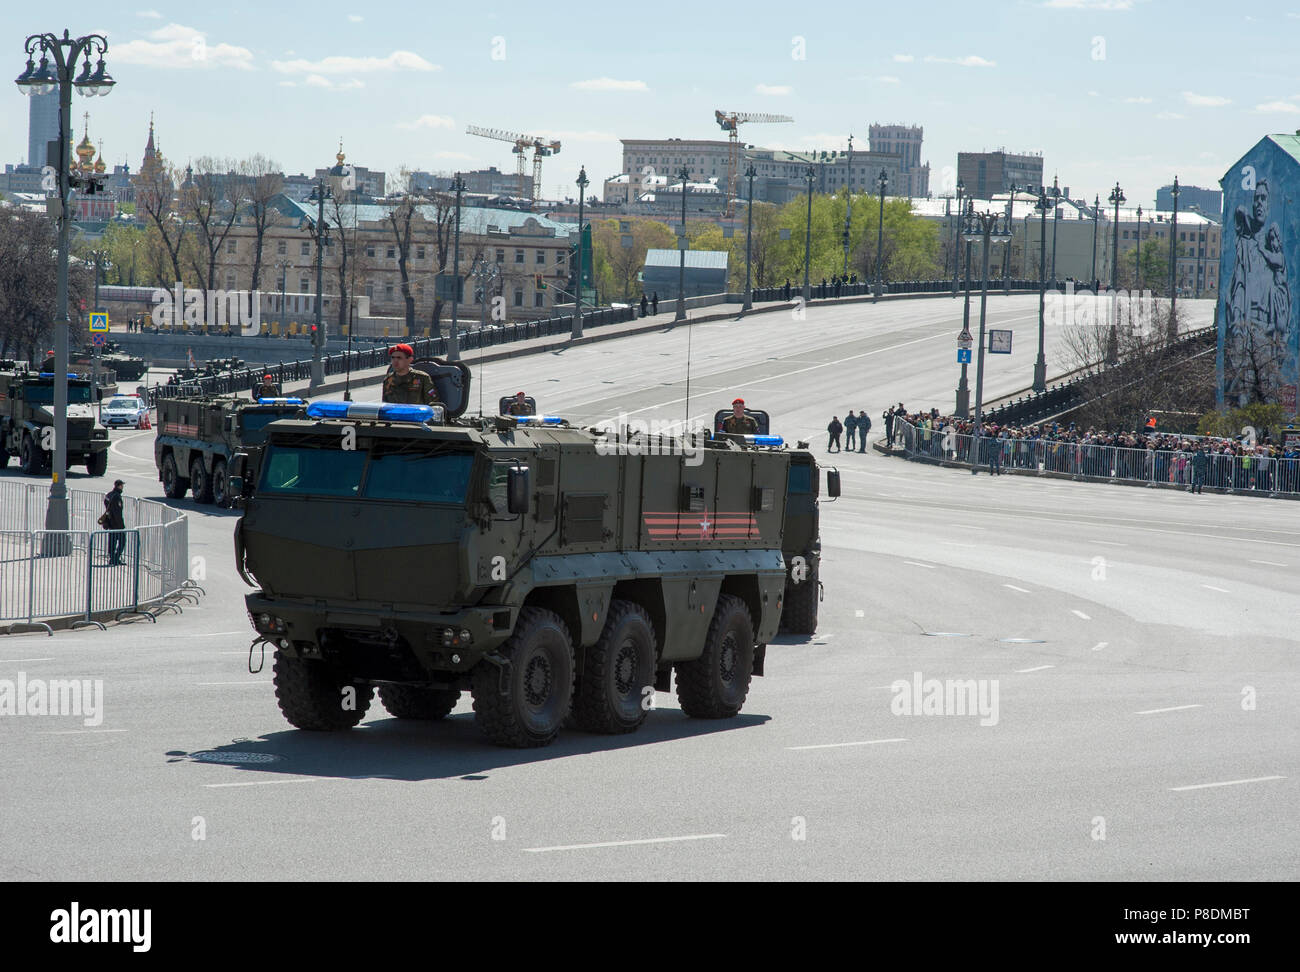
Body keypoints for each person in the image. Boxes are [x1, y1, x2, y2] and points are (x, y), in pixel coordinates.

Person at [103, 479, 126, 566]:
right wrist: (121, 526)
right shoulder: (117, 497)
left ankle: (112, 558)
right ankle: (115, 558)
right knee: (122, 541)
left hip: (110, 523)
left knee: (112, 542)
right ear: (119, 486)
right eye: (122, 485)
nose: (122, 487)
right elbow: (118, 513)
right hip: (117, 524)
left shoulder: (109, 495)